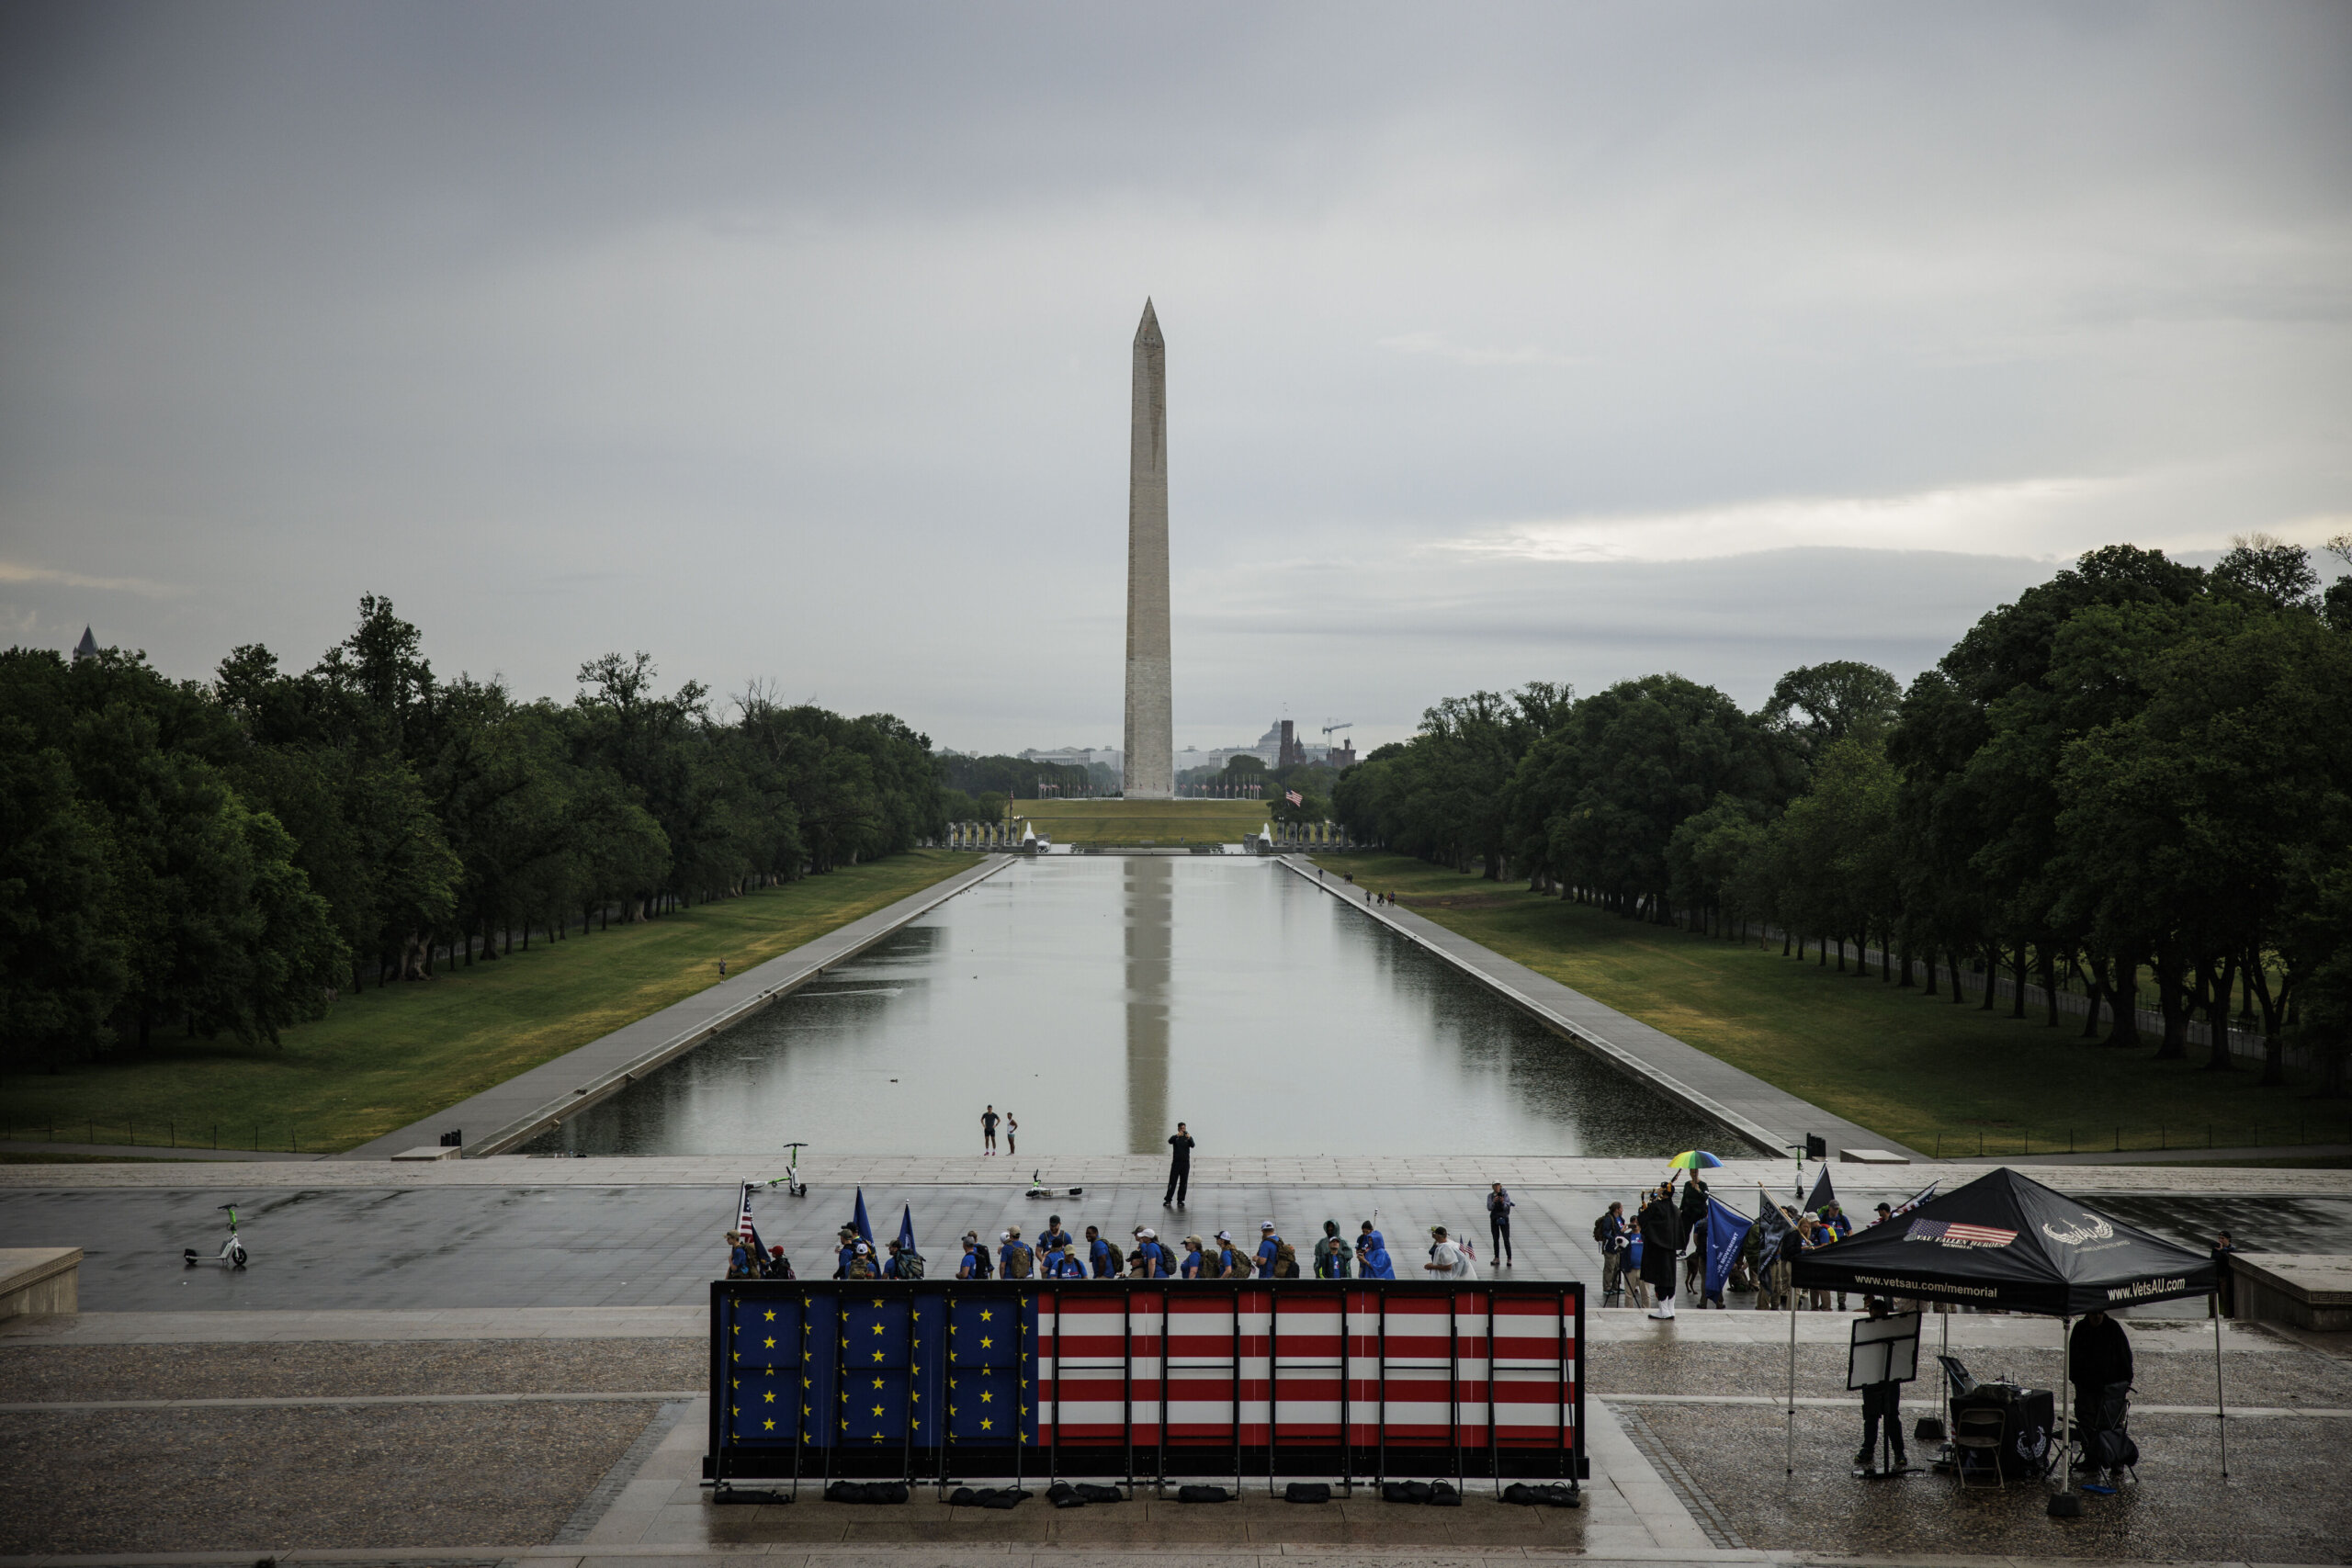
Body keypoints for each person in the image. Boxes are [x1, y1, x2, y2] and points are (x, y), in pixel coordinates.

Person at [2069, 1308, 2133, 1481]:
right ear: (2087, 1314)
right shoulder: (2080, 1329)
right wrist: (2076, 1379)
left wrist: (2126, 1382)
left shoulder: (2113, 1328)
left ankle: (2116, 1460)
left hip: (2111, 1389)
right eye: (2093, 1313)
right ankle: (2092, 1459)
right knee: (2087, 1424)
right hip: (2087, 1388)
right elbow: (2073, 1357)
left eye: (2099, 1313)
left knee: (2112, 1424)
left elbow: (2125, 1357)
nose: (2097, 1316)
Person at [1855, 1298, 1909, 1471]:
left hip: (1889, 1378)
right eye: (1875, 1315)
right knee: (1871, 1416)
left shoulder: (1891, 1330)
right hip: (1871, 1378)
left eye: (1880, 1315)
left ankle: (1898, 1452)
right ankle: (1869, 1448)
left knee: (1891, 1415)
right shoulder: (1865, 1331)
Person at [1639, 1182, 1685, 1319]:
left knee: (1660, 1279)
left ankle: (1663, 1309)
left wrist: (1646, 1207)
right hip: (1670, 1249)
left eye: (1660, 1188)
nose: (1658, 1190)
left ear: (1664, 1193)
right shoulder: (1676, 1210)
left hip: (1658, 1249)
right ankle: (1670, 1308)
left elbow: (1643, 1219)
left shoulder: (1656, 1207)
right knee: (1670, 1278)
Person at [1596, 1201, 1632, 1303]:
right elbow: (1606, 1232)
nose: (1622, 1210)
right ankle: (1607, 1287)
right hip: (1610, 1247)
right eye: (1621, 1208)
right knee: (1609, 1267)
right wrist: (1615, 1237)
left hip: (1618, 1247)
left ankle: (1616, 1286)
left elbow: (1619, 1231)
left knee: (1617, 1267)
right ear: (1616, 1209)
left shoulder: (1620, 1219)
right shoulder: (1609, 1219)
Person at [1164, 1122, 1194, 1207]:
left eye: (1184, 1128)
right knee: (1172, 1182)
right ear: (1178, 1129)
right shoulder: (1175, 1138)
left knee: (1183, 1183)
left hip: (1185, 1163)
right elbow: (1169, 1141)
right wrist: (1177, 1135)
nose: (1183, 1130)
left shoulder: (1188, 1138)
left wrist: (1190, 1138)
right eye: (1181, 1128)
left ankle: (1180, 1200)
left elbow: (1193, 1145)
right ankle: (1168, 1200)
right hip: (1176, 1163)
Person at [1487, 1182, 1516, 1267]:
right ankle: (1497, 1257)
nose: (1496, 1187)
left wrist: (1502, 1202)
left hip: (1504, 1219)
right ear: (1492, 1187)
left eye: (1498, 1185)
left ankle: (1509, 1258)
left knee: (1506, 1239)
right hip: (1494, 1219)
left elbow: (1507, 1206)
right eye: (1495, 1185)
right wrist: (1494, 1202)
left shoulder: (1505, 1195)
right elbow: (1489, 1207)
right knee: (1495, 1239)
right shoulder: (1490, 1196)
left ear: (1500, 1186)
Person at [2211, 1232, 2237, 1318]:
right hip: (2215, 1276)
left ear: (2228, 1239)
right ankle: (2212, 1316)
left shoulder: (2232, 1250)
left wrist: (2222, 1251)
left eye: (2222, 1238)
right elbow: (2213, 1259)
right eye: (2219, 1238)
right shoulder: (2216, 1248)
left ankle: (2228, 1316)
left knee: (2226, 1299)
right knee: (2212, 1299)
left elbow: (2229, 1260)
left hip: (2225, 1277)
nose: (2220, 1240)